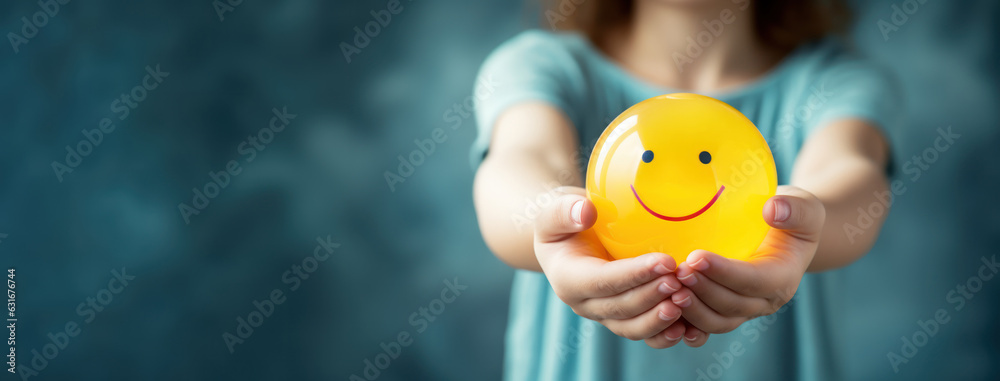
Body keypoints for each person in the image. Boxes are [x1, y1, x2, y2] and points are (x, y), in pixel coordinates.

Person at [470, 0, 900, 379]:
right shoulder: (540, 67)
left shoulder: (835, 81)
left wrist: (803, 223)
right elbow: (522, 161)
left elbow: (850, 176)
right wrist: (553, 219)